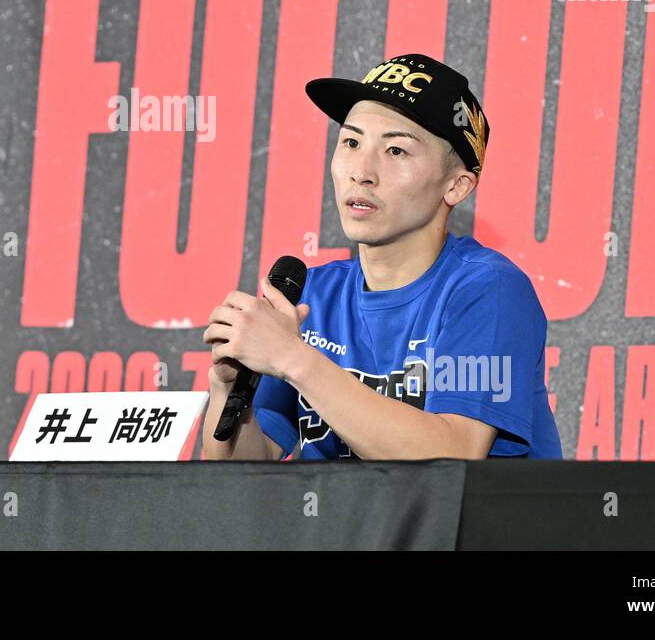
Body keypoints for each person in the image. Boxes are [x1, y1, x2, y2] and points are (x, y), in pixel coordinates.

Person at [202, 53, 562, 460]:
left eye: (395, 151)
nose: (361, 171)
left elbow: (454, 455)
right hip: (344, 525)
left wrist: (292, 358)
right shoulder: (313, 295)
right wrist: (229, 388)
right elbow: (242, 475)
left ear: (457, 186)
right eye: (351, 142)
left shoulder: (489, 290)